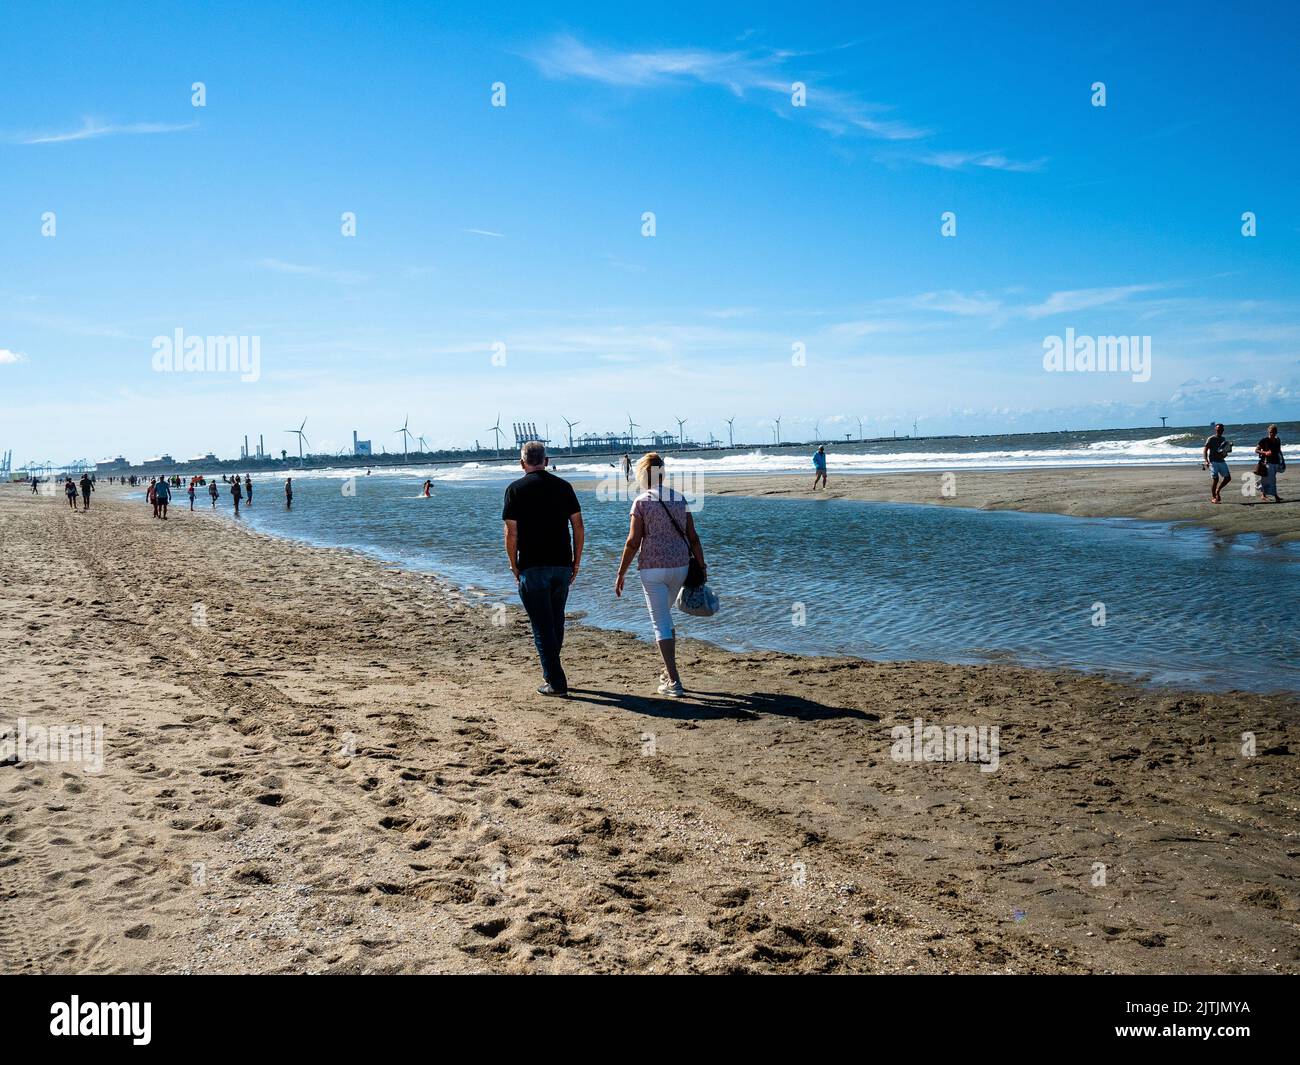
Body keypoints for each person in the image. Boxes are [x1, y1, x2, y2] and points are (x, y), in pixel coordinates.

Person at [614, 452, 707, 698]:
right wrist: (703, 566)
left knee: (660, 622)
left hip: (653, 570)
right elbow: (693, 537)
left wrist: (621, 572)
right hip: (680, 567)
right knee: (665, 619)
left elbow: (633, 542)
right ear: (662, 473)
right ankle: (668, 672)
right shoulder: (680, 499)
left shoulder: (641, 502)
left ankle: (674, 681)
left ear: (642, 475)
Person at [502, 441, 584, 696]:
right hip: (561, 562)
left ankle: (555, 681)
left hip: (532, 564)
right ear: (546, 461)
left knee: (542, 625)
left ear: (522, 462)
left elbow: (511, 532)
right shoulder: (563, 487)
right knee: (555, 621)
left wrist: (513, 564)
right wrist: (576, 560)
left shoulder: (515, 490)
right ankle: (554, 671)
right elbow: (578, 526)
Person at [1202, 423, 1233, 503]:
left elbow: (1224, 452)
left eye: (1221, 429)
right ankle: (1213, 497)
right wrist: (1206, 460)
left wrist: (1228, 449)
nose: (1220, 431)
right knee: (1216, 479)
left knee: (1228, 478)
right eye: (1218, 429)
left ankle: (1218, 490)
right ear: (1215, 430)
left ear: (1223, 430)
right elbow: (1205, 450)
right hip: (1213, 461)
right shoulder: (1211, 438)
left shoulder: (1223, 439)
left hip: (1221, 461)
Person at [1255, 424, 1285, 503]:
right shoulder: (1264, 440)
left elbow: (1279, 451)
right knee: (1272, 480)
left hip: (1275, 461)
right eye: (1271, 432)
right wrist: (1265, 452)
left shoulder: (1277, 440)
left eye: (1274, 432)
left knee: (1267, 479)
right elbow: (1256, 450)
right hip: (1267, 462)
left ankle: (1263, 493)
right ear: (1268, 432)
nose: (1272, 433)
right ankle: (1275, 496)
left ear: (1276, 432)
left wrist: (1282, 460)